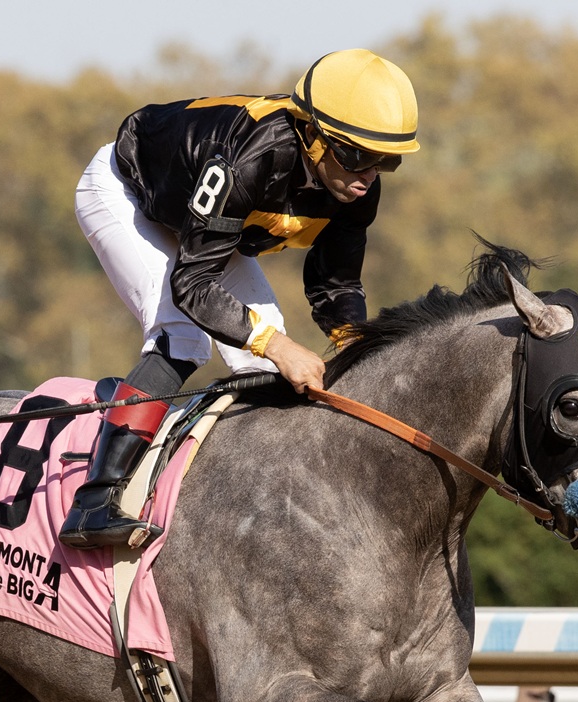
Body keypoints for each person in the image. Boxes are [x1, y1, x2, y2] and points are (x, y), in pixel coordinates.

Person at [59, 49, 420, 549]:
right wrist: (279, 344)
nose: (369, 175)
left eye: (387, 161)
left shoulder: (358, 191)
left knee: (268, 370)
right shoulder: (251, 157)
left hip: (206, 228)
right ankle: (93, 502)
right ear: (313, 136)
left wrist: (356, 345)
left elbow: (335, 284)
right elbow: (193, 284)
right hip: (129, 193)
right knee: (184, 338)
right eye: (358, 156)